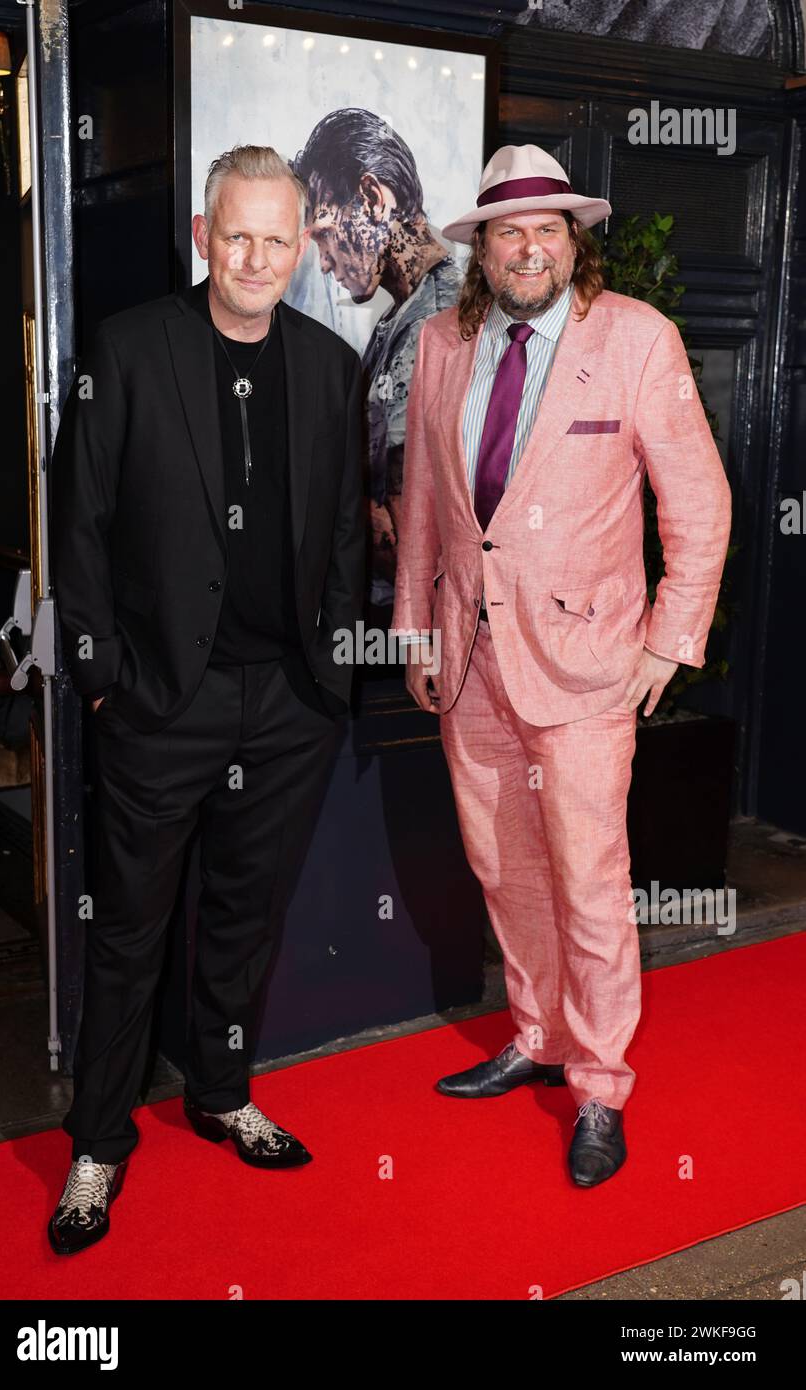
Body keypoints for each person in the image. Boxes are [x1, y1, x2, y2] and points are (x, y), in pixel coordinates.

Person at [393, 143, 731, 1187]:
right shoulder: (445, 346)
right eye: (506, 229)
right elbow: (420, 503)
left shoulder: (633, 338)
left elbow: (699, 503)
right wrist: (412, 625)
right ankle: (533, 1033)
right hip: (471, 660)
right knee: (504, 866)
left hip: (585, 666)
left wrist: (669, 640)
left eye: (546, 227)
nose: (527, 245)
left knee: (588, 879)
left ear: (570, 240)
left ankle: (598, 1082)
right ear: (481, 248)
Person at [48, 144, 364, 1253]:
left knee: (242, 919)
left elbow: (337, 536)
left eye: (279, 239)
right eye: (238, 235)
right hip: (157, 701)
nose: (257, 258)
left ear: (300, 243)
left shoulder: (329, 366)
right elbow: (76, 524)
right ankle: (97, 1141)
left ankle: (222, 1092)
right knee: (128, 931)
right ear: (201, 233)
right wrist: (102, 678)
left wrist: (328, 675)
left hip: (283, 705)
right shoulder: (129, 350)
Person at [294, 108, 462, 603]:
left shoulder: (441, 321)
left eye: (324, 233)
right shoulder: (407, 314)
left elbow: (409, 534)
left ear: (371, 198)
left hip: (411, 626)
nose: (323, 262)